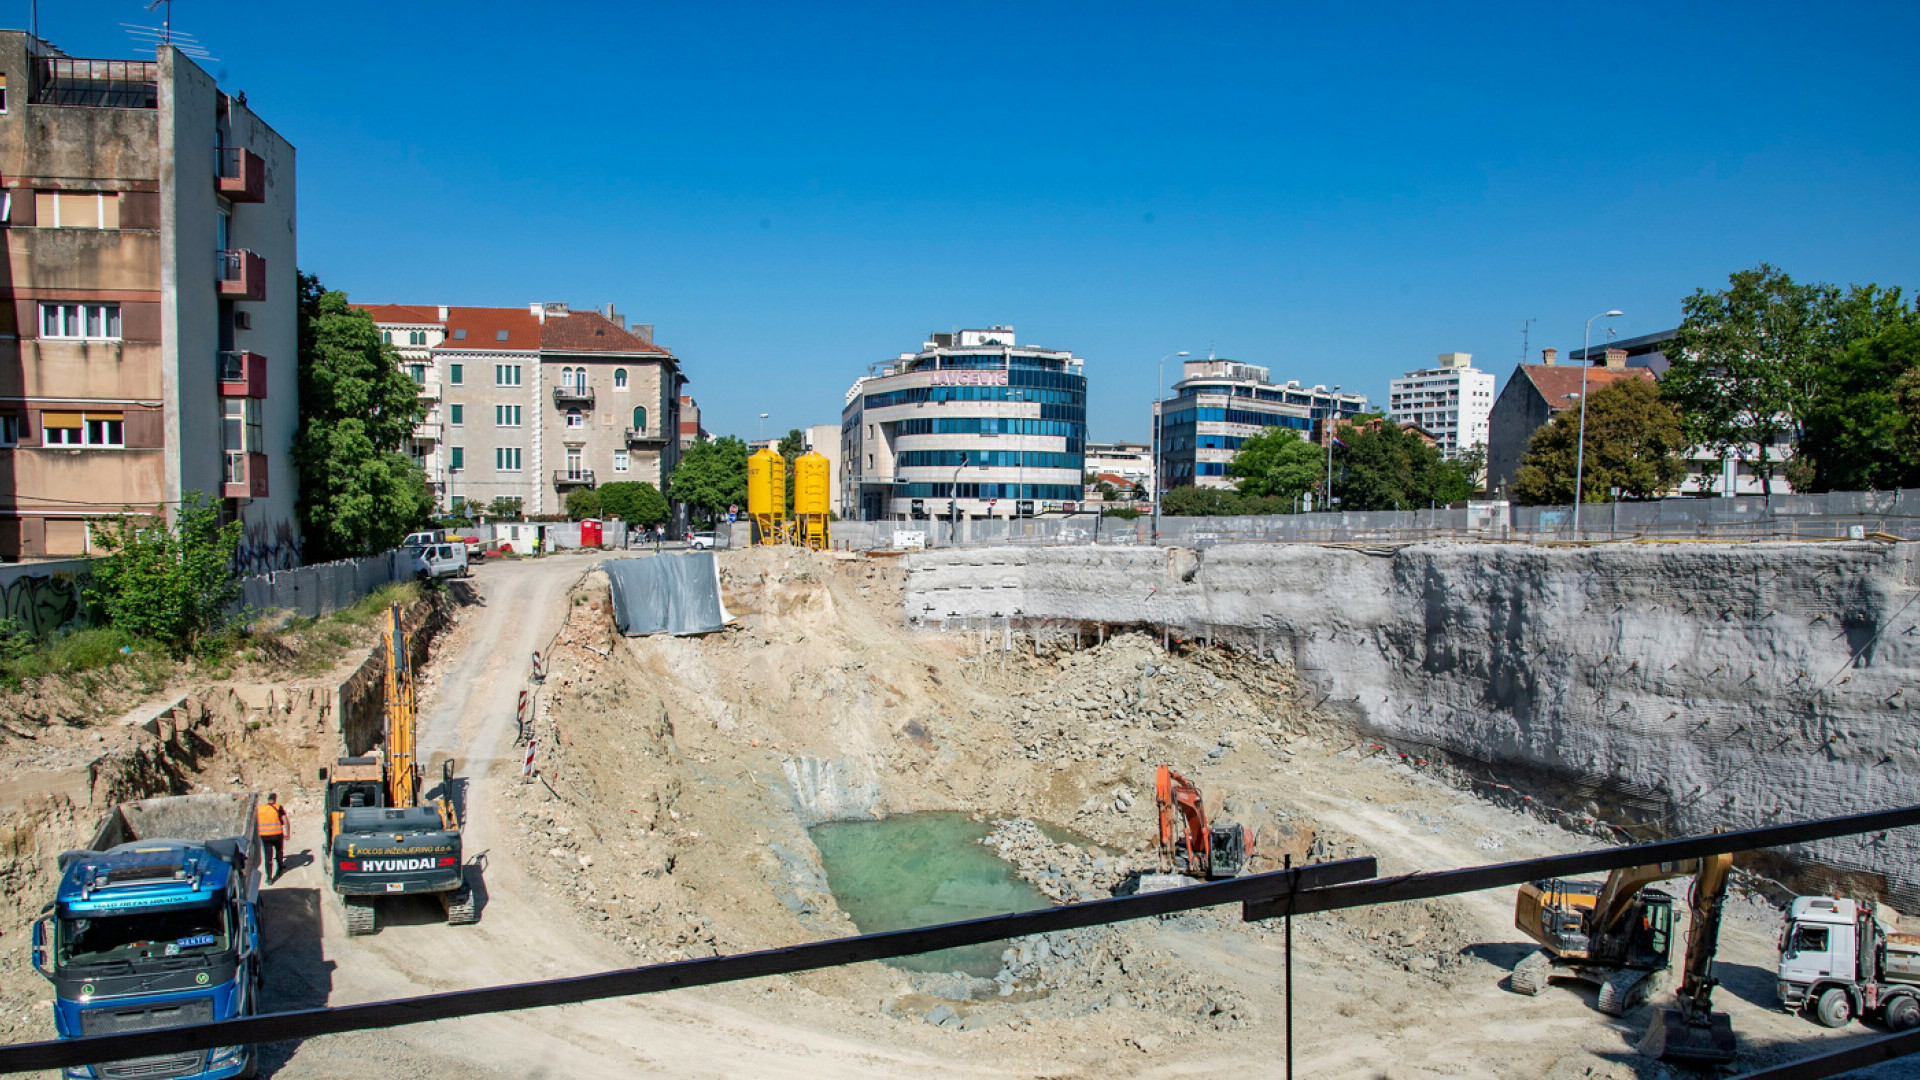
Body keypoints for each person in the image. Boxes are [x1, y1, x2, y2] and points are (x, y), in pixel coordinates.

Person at [257, 793, 289, 882]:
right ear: (275, 799)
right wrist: (288, 833)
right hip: (277, 834)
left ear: (268, 799)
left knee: (268, 856)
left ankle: (269, 877)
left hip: (264, 836)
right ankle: (280, 869)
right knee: (278, 852)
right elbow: (285, 820)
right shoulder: (278, 807)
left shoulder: (260, 809)